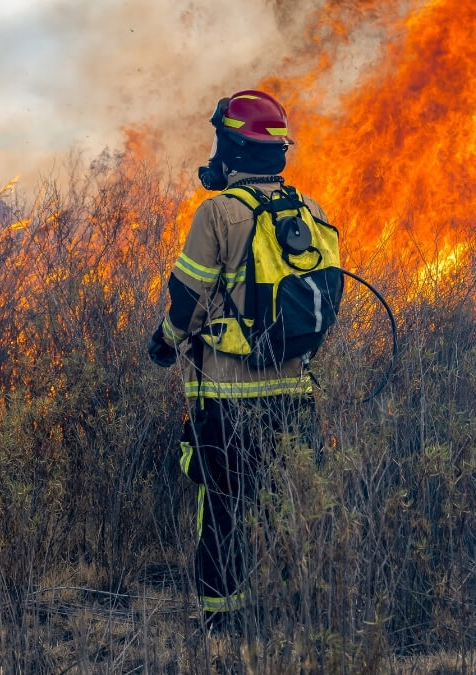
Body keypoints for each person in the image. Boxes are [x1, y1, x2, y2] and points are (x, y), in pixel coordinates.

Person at [146, 90, 342, 630]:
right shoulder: (312, 213)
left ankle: (223, 624)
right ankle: (295, 612)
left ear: (231, 147)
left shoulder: (218, 213)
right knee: (291, 507)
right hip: (295, 390)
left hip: (229, 398)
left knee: (224, 509)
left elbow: (185, 302)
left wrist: (163, 342)